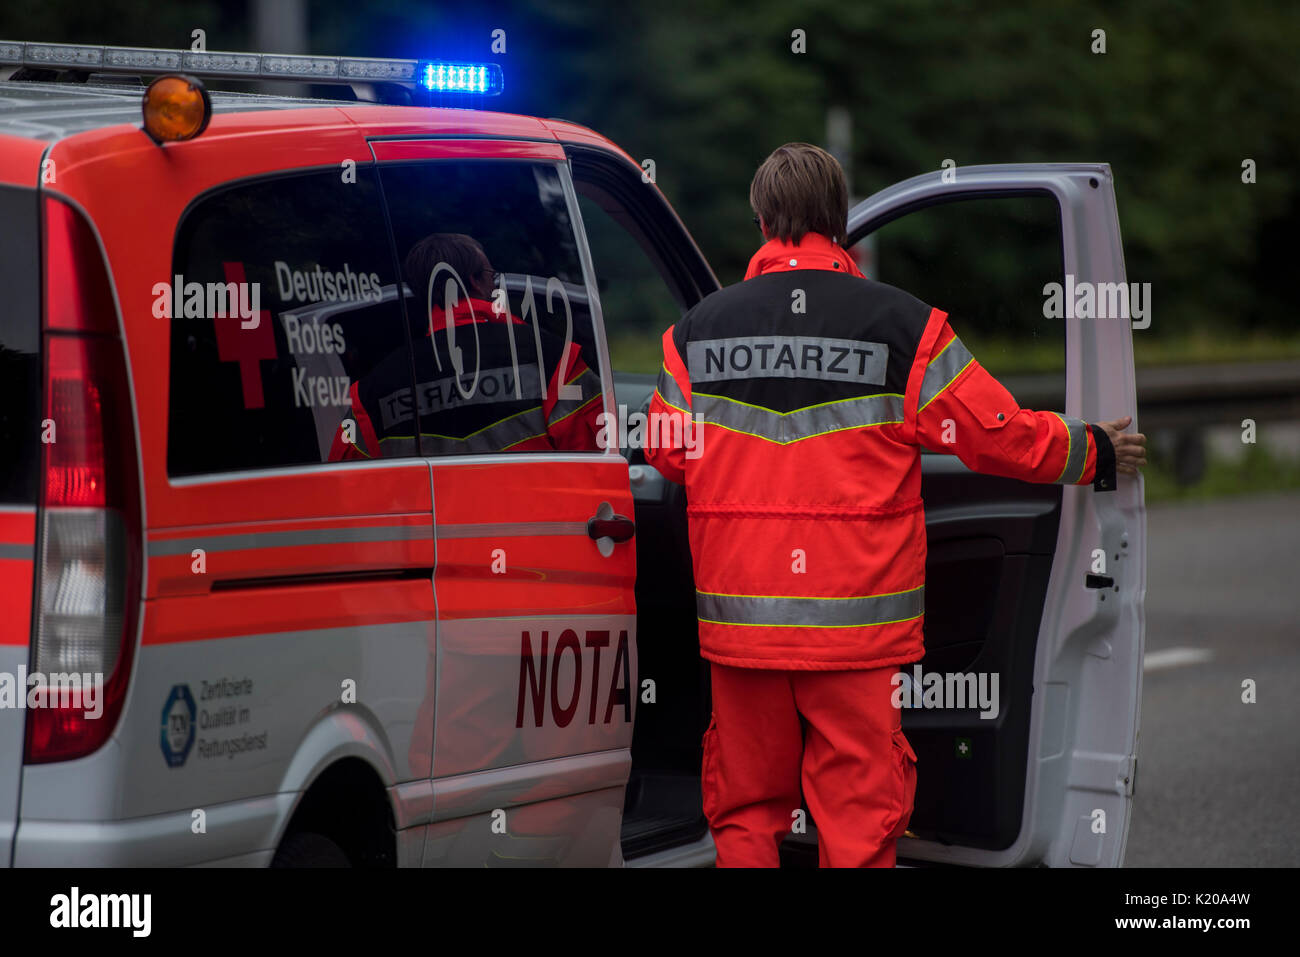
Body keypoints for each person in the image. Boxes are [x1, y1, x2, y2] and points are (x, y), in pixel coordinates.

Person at [642, 143, 1146, 868]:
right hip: (856, 629)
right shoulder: (906, 326)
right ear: (841, 222)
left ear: (761, 221)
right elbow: (993, 437)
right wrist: (1090, 449)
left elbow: (664, 450)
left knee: (747, 811)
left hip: (744, 626)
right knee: (857, 816)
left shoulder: (694, 333)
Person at [328, 232, 602, 460]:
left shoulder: (370, 392)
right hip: (534, 522)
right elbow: (595, 454)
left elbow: (347, 484)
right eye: (491, 274)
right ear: (475, 280)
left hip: (425, 526)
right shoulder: (551, 356)